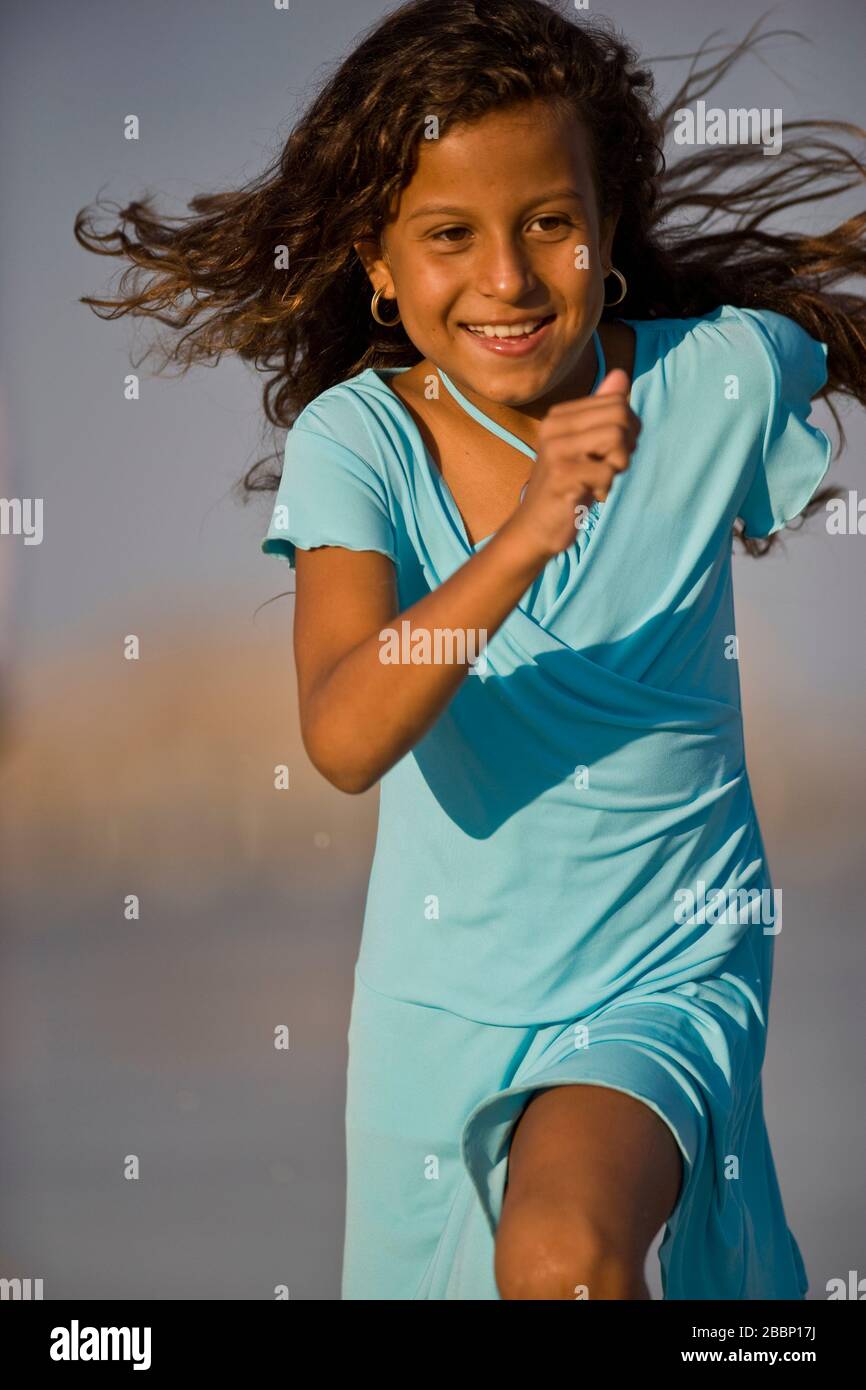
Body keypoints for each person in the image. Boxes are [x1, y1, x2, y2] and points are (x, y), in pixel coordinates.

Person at [75, 0, 865, 1300]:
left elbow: (809, 346)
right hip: (439, 1007)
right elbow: (340, 732)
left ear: (606, 230)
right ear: (378, 265)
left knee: (560, 1255)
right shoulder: (359, 443)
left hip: (667, 965)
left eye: (548, 222)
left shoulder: (721, 379)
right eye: (448, 234)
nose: (503, 277)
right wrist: (526, 537)